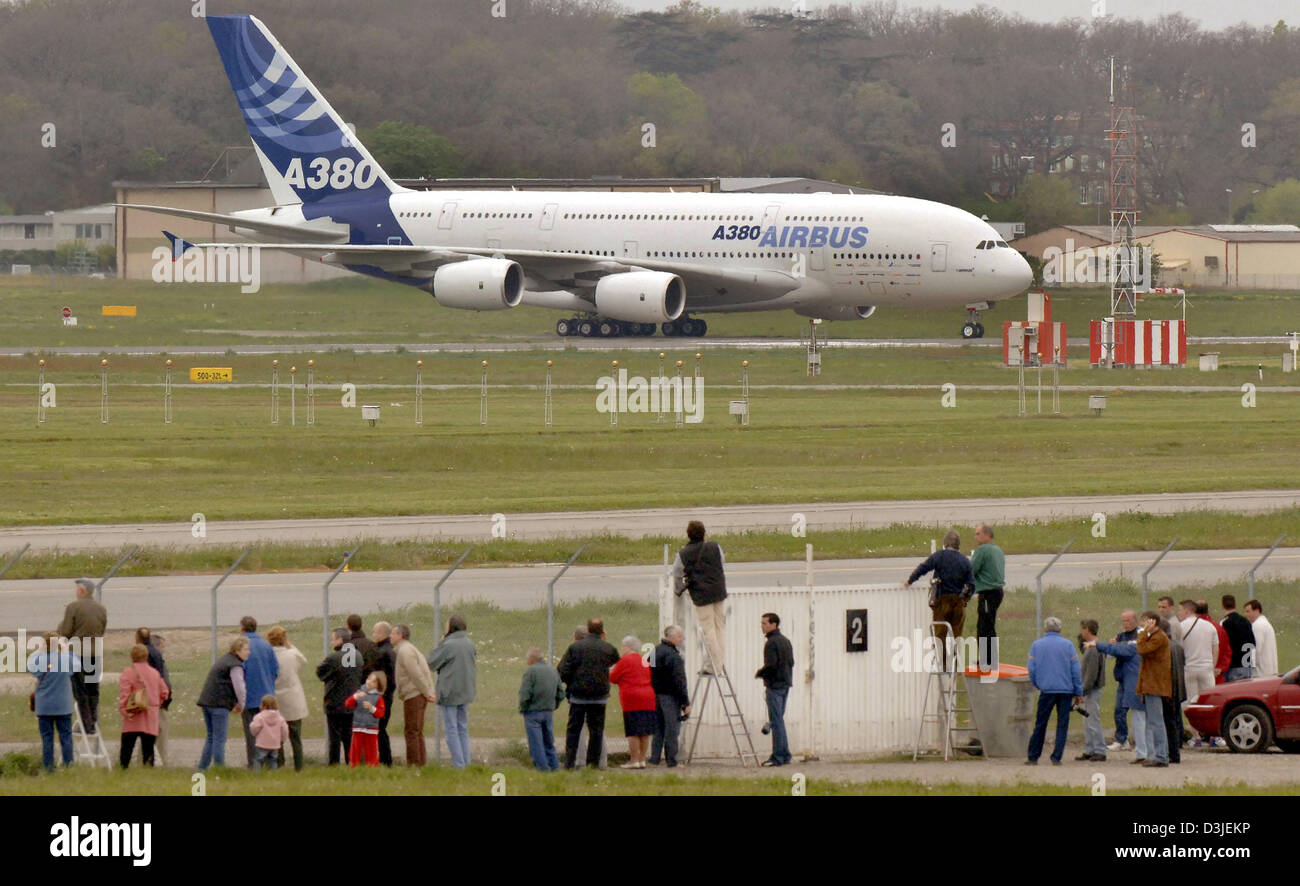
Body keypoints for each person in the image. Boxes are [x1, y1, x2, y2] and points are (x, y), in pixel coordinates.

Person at [904, 530, 973, 671]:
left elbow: (923, 568)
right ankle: (954, 665)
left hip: (942, 602)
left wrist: (910, 580)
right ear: (958, 545)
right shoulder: (965, 561)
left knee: (940, 634)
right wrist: (965, 599)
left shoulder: (939, 556)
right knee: (956, 635)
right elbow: (972, 584)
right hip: (958, 603)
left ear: (945, 543)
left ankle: (941, 665)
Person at [558, 617, 620, 770]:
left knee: (573, 730)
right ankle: (593, 764)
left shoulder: (575, 648)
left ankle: (570, 763)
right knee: (596, 731)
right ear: (602, 631)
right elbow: (614, 662)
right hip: (599, 697)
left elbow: (562, 671)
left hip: (578, 696)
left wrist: (571, 683)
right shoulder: (608, 649)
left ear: (588, 629)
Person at [671, 520, 728, 673]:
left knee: (708, 629)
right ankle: (719, 660)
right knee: (719, 627)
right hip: (718, 590)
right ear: (704, 533)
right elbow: (721, 561)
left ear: (688, 534)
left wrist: (678, 590)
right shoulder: (715, 547)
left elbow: (677, 573)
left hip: (701, 595)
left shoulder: (683, 553)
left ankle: (715, 664)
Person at [1026, 617, 1083, 765]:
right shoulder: (1068, 645)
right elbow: (1075, 670)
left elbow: (1031, 669)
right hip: (1066, 691)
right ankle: (1056, 757)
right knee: (1062, 724)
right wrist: (1078, 691)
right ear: (1060, 629)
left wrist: (1038, 684)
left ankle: (1033, 756)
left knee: (1041, 723)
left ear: (1045, 628)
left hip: (1047, 690)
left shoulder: (1036, 645)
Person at [1089, 628, 1147, 762]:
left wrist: (1099, 645)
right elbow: (1114, 653)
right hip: (1130, 683)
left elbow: (1119, 650)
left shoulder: (1135, 646)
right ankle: (1130, 744)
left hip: (1135, 685)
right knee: (1128, 714)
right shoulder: (1127, 640)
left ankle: (1143, 751)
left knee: (1139, 718)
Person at [427, 615, 477, 768]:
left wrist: (442, 642)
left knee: (451, 730)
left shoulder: (448, 645)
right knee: (462, 727)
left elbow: (431, 662)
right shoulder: (469, 643)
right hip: (466, 690)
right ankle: (465, 762)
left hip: (449, 691)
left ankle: (459, 764)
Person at [58, 578, 106, 734]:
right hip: (96, 653)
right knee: (93, 689)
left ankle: (86, 724)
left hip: (78, 654)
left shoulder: (73, 607)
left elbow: (65, 631)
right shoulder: (101, 608)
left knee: (81, 691)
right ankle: (93, 720)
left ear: (81, 591)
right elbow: (102, 629)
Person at [28, 633, 79, 772]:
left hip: (44, 705)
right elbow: (77, 666)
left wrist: (40, 650)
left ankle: (49, 767)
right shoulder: (66, 659)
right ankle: (69, 766)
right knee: (66, 737)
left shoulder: (39, 659)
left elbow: (30, 664)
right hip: (63, 705)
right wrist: (65, 649)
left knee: (47, 738)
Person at [197, 637, 250, 770]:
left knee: (211, 737)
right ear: (237, 650)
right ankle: (220, 769)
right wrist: (243, 705)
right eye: (246, 649)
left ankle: (202, 768)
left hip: (207, 701)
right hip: (219, 704)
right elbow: (240, 687)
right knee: (219, 739)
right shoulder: (235, 665)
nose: (248, 652)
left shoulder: (224, 659)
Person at [117, 643, 169, 769]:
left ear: (132, 657)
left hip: (133, 714)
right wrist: (156, 704)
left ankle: (123, 771)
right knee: (148, 749)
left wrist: (124, 710)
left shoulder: (128, 673)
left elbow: (125, 694)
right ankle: (148, 772)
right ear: (146, 656)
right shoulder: (155, 673)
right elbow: (165, 692)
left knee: (127, 748)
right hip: (150, 714)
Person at [392, 624, 436, 766]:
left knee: (411, 731)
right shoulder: (409, 649)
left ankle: (414, 765)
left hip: (414, 695)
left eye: (393, 633)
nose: (390, 636)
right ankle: (421, 763)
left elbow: (416, 674)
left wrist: (427, 692)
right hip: (418, 694)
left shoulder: (405, 651)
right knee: (417, 731)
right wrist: (428, 691)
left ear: (400, 636)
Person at [238, 616, 279, 769]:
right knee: (270, 731)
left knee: (252, 732)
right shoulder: (266, 646)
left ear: (242, 629)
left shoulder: (241, 646)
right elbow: (276, 670)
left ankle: (254, 765)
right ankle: (271, 764)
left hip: (249, 696)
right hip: (267, 696)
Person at [317, 627, 362, 766]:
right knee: (349, 735)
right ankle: (352, 761)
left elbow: (320, 673)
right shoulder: (358, 656)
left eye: (333, 639)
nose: (331, 642)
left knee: (334, 736)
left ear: (340, 640)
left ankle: (334, 763)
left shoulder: (333, 657)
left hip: (334, 701)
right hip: (352, 701)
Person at [267, 625, 309, 772]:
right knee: (295, 737)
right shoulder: (291, 655)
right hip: (293, 699)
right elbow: (303, 661)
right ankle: (299, 766)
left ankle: (280, 764)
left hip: (276, 699)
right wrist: (290, 645)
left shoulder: (268, 656)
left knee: (277, 737)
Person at [610, 636, 656, 769]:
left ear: (627, 647)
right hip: (648, 698)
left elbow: (613, 678)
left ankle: (633, 760)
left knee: (633, 731)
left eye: (622, 646)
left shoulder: (625, 660)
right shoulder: (644, 660)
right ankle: (642, 760)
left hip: (632, 699)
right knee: (645, 732)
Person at [648, 625, 691, 768]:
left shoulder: (655, 651)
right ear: (671, 637)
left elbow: (647, 668)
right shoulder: (674, 656)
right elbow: (679, 681)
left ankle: (654, 758)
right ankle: (672, 760)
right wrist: (685, 702)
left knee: (658, 727)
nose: (682, 639)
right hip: (670, 697)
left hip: (656, 695)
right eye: (679, 636)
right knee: (672, 729)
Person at [756, 612, 795, 767]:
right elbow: (791, 662)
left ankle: (778, 756)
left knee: (776, 721)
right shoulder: (786, 641)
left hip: (775, 685)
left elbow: (771, 665)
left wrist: (760, 673)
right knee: (779, 720)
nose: (762, 626)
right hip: (785, 684)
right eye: (762, 623)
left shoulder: (771, 643)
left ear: (774, 625)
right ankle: (785, 754)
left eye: (765, 623)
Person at [518, 647, 565, 772]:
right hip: (548, 711)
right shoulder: (552, 671)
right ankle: (554, 767)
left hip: (533, 712)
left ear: (532, 659)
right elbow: (561, 693)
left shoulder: (530, 672)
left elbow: (525, 694)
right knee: (549, 742)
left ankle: (542, 769)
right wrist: (553, 706)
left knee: (536, 743)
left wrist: (523, 708)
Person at [1178, 599, 1218, 745]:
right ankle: (1213, 735)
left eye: (1180, 610)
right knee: (1209, 702)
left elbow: (1178, 649)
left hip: (1189, 667)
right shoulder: (1210, 627)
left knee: (1191, 702)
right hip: (1206, 668)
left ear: (1187, 611)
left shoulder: (1181, 627)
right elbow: (1215, 648)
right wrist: (1212, 666)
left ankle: (1197, 736)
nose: (1179, 613)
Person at [1134, 612, 1171, 767]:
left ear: (1153, 622)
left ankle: (1161, 756)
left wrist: (1143, 633)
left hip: (1155, 685)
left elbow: (1142, 649)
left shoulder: (1158, 637)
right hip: (1150, 684)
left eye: (1145, 621)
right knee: (1151, 721)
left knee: (1156, 721)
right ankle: (1154, 755)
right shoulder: (1153, 636)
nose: (1143, 624)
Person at [970, 524, 1005, 670]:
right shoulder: (998, 550)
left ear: (986, 535)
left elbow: (972, 569)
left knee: (984, 627)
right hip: (997, 591)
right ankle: (991, 658)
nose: (976, 537)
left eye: (978, 534)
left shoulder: (982, 550)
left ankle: (987, 660)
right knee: (989, 625)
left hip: (987, 592)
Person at [1107, 610, 1139, 752]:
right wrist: (1112, 646)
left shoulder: (1141, 634)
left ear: (1135, 621)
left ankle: (1142, 740)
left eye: (1128, 621)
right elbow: (1110, 656)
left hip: (1136, 679)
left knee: (1139, 712)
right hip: (1122, 679)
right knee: (1119, 710)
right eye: (1123, 621)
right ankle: (1122, 739)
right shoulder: (1120, 637)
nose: (1125, 624)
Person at [138, 629, 172, 765]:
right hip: (158, 704)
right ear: (156, 646)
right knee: (161, 733)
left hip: (153, 702)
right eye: (163, 646)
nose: (164, 649)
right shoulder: (156, 661)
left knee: (147, 734)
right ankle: (162, 762)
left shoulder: (150, 660)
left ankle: (142, 762)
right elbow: (162, 682)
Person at [1076, 620, 1106, 762]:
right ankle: (1090, 749)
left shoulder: (1094, 649)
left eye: (1083, 630)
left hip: (1091, 689)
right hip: (1089, 689)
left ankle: (1099, 749)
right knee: (1087, 720)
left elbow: (1091, 673)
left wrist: (1084, 690)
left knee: (1093, 719)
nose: (1081, 633)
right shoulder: (1091, 647)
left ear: (1088, 630)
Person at [345, 672, 387, 768]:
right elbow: (348, 704)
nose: (369, 682)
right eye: (369, 679)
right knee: (355, 749)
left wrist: (372, 708)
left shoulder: (378, 697)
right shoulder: (359, 692)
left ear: (378, 685)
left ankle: (372, 767)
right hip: (358, 727)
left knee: (371, 750)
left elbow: (381, 713)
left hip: (371, 728)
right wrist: (355, 697)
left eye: (374, 681)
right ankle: (353, 766)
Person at [370, 621, 398, 766]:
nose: (373, 634)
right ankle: (384, 760)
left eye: (375, 632)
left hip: (382, 696)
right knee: (380, 728)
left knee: (379, 728)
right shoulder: (391, 649)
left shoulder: (381, 653)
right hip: (387, 695)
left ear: (382, 634)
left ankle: (386, 760)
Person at [1160, 616, 1185, 765]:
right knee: (1174, 720)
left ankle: (1171, 752)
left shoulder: (1165, 647)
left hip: (1168, 688)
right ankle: (1175, 751)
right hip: (1178, 687)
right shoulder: (1177, 646)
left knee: (1168, 721)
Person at [1219, 595, 1256, 682]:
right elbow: (1252, 643)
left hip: (1232, 665)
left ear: (1223, 606)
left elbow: (1224, 645)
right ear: (1235, 605)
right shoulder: (1246, 621)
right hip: (1246, 663)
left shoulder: (1224, 623)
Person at [249, 696, 290, 771]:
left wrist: (255, 734)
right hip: (275, 743)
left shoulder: (259, 717)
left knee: (259, 760)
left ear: (263, 705)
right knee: (273, 760)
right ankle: (273, 774)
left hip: (262, 743)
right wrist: (282, 739)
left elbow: (254, 727)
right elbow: (285, 730)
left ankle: (256, 774)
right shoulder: (280, 718)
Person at [1198, 600, 1232, 686]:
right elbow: (1227, 652)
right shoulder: (1218, 628)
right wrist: (1221, 668)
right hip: (1217, 675)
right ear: (1208, 611)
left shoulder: (1192, 627)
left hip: (1198, 675)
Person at [1243, 600, 1279, 677]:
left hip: (1260, 672)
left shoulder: (1258, 626)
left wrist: (1249, 668)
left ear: (1257, 610)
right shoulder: (1265, 624)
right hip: (1269, 670)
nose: (1245, 614)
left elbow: (1256, 648)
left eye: (1248, 611)